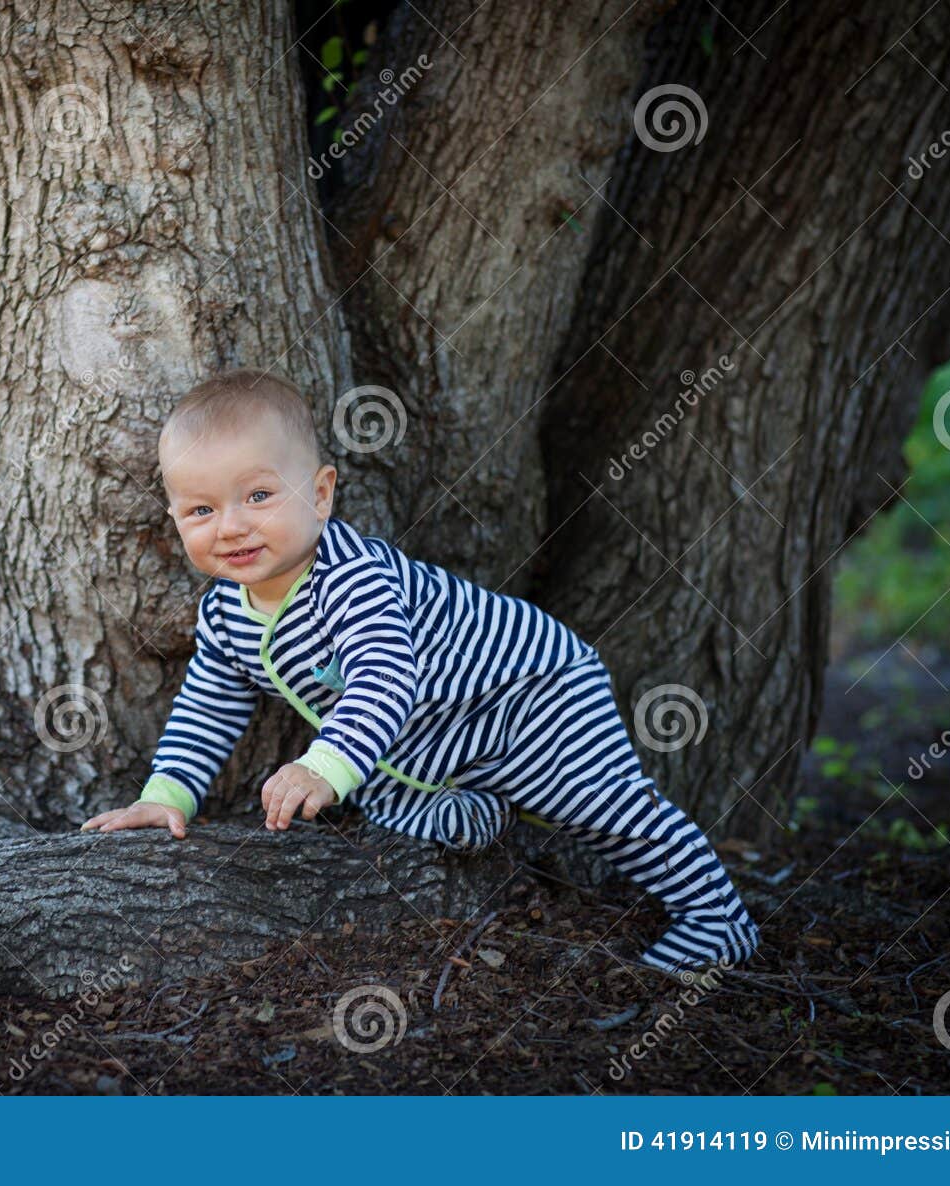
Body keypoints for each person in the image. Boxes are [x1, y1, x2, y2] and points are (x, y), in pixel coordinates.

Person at [80, 368, 760, 974]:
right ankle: (479, 809)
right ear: (175, 519)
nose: (230, 527)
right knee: (388, 800)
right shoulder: (226, 611)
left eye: (258, 496)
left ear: (319, 494)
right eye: (201, 510)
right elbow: (209, 704)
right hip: (433, 737)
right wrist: (167, 796)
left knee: (604, 808)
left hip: (529, 695)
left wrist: (323, 768)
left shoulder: (352, 578)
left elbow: (383, 679)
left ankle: (715, 919)